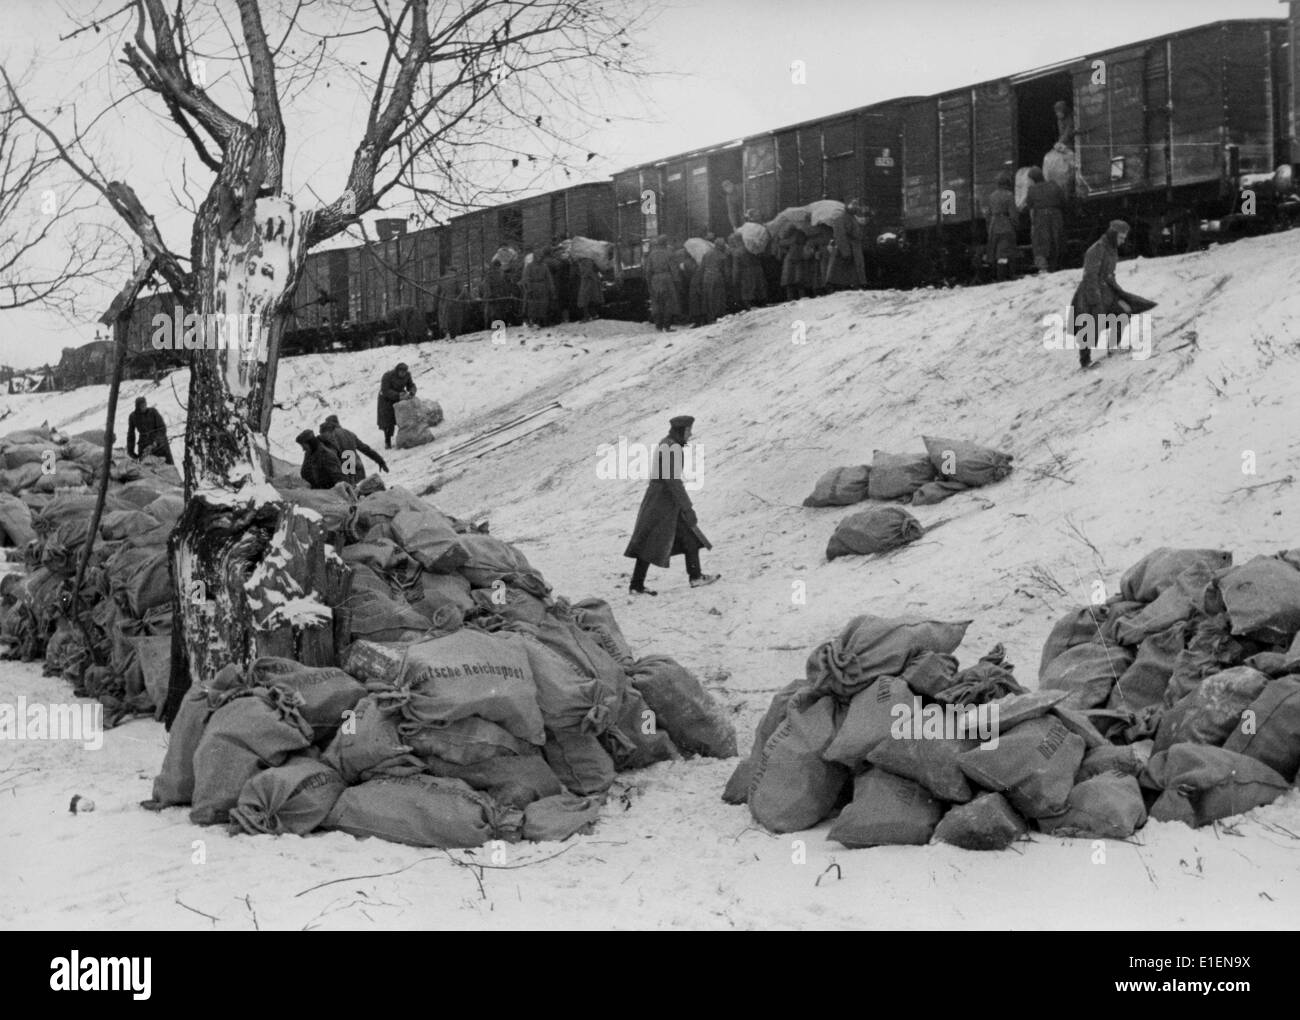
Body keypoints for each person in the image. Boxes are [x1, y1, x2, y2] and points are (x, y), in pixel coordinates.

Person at [623, 414, 719, 595]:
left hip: (661, 500)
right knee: (653, 541)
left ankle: (639, 585)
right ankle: (694, 577)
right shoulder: (671, 448)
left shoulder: (666, 443)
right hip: (663, 502)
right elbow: (672, 480)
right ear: (682, 430)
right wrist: (687, 507)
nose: (690, 435)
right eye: (689, 431)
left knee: (662, 540)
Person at [1070, 219, 1131, 370]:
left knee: (1123, 312)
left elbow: (1110, 275)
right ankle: (1085, 362)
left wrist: (1119, 293)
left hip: (1106, 292)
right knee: (1088, 324)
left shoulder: (1111, 250)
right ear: (1113, 234)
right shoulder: (1096, 249)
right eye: (1121, 238)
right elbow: (1090, 276)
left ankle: (1113, 347)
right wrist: (1095, 302)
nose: (1123, 242)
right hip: (1090, 293)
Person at [319, 414, 387, 483]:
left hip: (345, 474)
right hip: (358, 469)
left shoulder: (330, 437)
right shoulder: (349, 433)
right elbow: (365, 449)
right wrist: (380, 461)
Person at [1024, 167, 1066, 272]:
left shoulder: (1031, 190)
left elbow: (1029, 206)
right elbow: (1063, 201)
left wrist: (1033, 221)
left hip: (1041, 217)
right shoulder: (1054, 185)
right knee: (1056, 240)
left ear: (1033, 179)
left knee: (1040, 242)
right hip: (1056, 215)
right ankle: (1056, 266)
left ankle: (1043, 268)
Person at [985, 171, 1019, 281]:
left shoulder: (992, 196)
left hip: (993, 226)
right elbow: (1013, 213)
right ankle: (1003, 275)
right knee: (1003, 253)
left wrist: (989, 227)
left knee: (995, 251)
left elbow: (988, 214)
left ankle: (997, 274)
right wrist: (1015, 224)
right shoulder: (1009, 195)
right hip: (1005, 225)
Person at [376, 362, 416, 449]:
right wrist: (399, 395)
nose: (403, 374)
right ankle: (387, 441)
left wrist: (412, 391)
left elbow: (410, 385)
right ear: (397, 371)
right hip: (386, 400)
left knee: (404, 417)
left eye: (404, 372)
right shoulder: (387, 376)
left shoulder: (407, 375)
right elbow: (385, 390)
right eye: (401, 372)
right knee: (388, 422)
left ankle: (406, 436)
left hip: (399, 397)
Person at [645, 235, 681, 332]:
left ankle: (658, 326)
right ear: (665, 243)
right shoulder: (669, 253)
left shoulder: (652, 254)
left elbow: (648, 270)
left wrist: (649, 282)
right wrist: (677, 281)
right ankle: (667, 326)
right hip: (666, 278)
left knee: (656, 302)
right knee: (668, 302)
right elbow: (674, 268)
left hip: (655, 279)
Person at [690, 239, 729, 326]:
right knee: (718, 297)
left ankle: (709, 317)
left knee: (708, 297)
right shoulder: (723, 256)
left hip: (707, 277)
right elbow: (726, 271)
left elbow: (701, 268)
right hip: (718, 277)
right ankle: (718, 315)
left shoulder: (707, 254)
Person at [126, 396, 173, 464]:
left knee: (166, 464)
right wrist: (130, 451)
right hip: (144, 444)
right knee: (146, 466)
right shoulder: (133, 416)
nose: (144, 407)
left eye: (145, 405)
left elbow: (162, 428)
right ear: (137, 407)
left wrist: (155, 442)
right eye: (142, 406)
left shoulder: (153, 412)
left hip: (159, 443)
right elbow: (131, 435)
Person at [520, 248, 555, 328]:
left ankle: (541, 320)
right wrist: (529, 289)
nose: (539, 258)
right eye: (537, 256)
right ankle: (533, 320)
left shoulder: (544, 266)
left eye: (540, 256)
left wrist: (551, 289)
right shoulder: (529, 266)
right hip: (533, 287)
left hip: (543, 287)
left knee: (543, 305)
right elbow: (526, 278)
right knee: (533, 305)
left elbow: (549, 278)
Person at [780, 229, 815, 301]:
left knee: (799, 280)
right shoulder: (788, 234)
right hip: (792, 259)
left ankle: (800, 296)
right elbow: (781, 244)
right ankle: (791, 297)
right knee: (790, 280)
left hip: (799, 259)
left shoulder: (804, 234)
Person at [575, 257, 603, 322]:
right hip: (591, 282)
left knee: (584, 298)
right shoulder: (590, 260)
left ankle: (587, 316)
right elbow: (598, 269)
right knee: (590, 299)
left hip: (587, 282)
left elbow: (586, 272)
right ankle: (594, 314)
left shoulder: (584, 262)